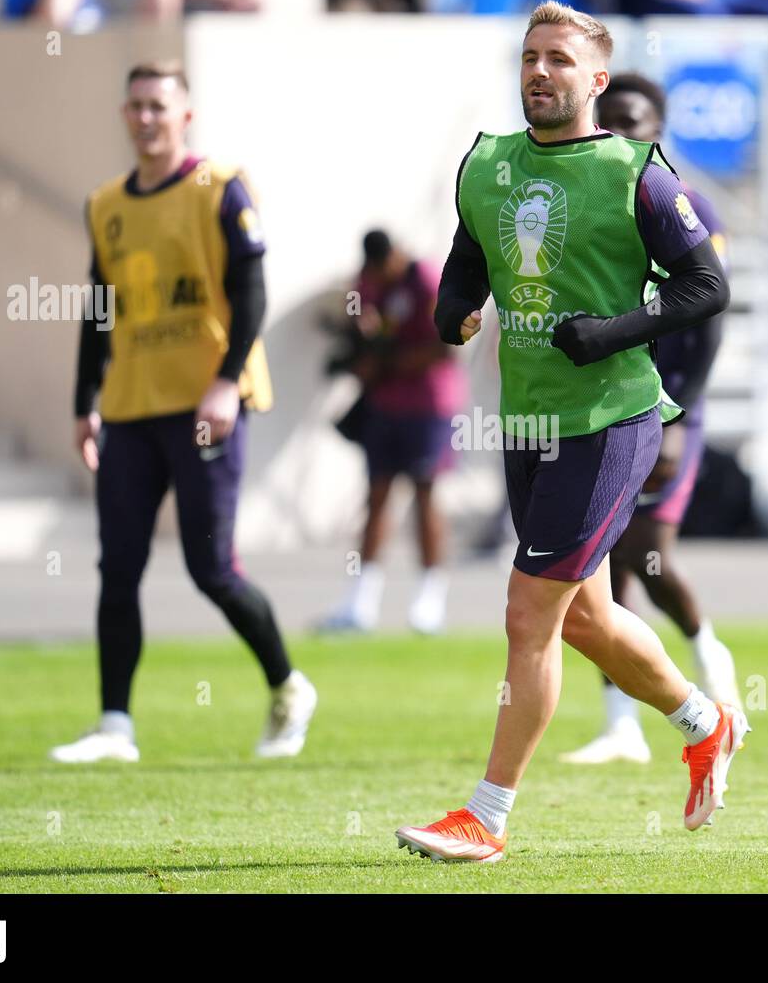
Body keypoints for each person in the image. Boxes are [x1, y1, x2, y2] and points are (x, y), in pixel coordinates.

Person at [395, 2, 746, 863]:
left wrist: (613, 332)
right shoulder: (486, 165)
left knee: (528, 613)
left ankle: (486, 815)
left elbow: (706, 287)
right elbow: (469, 254)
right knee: (586, 618)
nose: (539, 72)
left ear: (595, 79)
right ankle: (707, 722)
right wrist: (451, 308)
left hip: (610, 419)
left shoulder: (638, 172)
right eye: (529, 57)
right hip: (529, 422)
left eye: (558, 58)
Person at [53, 61, 316, 764]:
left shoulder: (219, 188)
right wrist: (85, 402)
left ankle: (289, 684)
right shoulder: (105, 202)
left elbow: (253, 292)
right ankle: (115, 726)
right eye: (135, 105)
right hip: (133, 406)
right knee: (119, 568)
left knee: (211, 570)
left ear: (184, 116)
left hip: (206, 405)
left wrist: (226, 382)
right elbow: (98, 309)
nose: (146, 118)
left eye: (158, 106)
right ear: (123, 114)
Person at [559, 72, 741, 766]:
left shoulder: (684, 206)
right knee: (601, 568)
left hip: (670, 408)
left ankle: (710, 662)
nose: (622, 131)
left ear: (658, 128)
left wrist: (679, 412)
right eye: (612, 120)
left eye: (634, 121)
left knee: (649, 555)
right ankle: (619, 726)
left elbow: (709, 315)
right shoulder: (593, 203)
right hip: (612, 405)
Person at [319, 230, 467, 634]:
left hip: (428, 404)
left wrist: (389, 362)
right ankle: (360, 602)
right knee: (377, 495)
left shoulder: (426, 279)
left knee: (425, 494)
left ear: (395, 258)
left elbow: (447, 345)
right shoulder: (369, 278)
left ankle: (429, 598)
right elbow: (357, 311)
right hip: (386, 405)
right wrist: (361, 340)